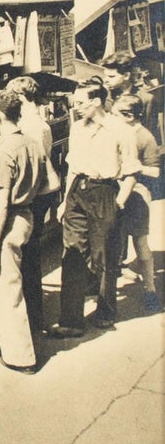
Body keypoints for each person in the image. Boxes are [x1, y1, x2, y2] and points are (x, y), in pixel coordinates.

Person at [47, 81, 140, 338]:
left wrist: (118, 202)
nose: (76, 108)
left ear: (97, 101)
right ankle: (71, 320)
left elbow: (132, 172)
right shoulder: (77, 128)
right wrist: (65, 202)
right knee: (73, 253)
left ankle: (105, 312)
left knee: (104, 257)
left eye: (81, 102)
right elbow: (73, 168)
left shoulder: (121, 130)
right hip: (78, 190)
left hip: (105, 192)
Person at [0, 89, 43, 374]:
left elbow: (0, 203)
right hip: (27, 216)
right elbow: (50, 183)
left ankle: (21, 357)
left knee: (7, 290)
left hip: (8, 223)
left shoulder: (4, 150)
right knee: (8, 286)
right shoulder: (31, 142)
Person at [6, 76, 61, 332]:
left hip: (33, 196)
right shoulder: (37, 123)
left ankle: (32, 317)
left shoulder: (32, 127)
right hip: (37, 194)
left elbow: (30, 164)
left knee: (27, 257)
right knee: (28, 254)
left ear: (20, 96)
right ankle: (32, 315)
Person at [112, 93, 163, 314]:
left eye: (116, 115)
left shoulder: (145, 137)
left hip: (138, 197)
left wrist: (136, 168)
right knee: (114, 242)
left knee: (140, 243)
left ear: (130, 116)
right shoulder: (118, 134)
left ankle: (150, 290)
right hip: (118, 193)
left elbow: (156, 172)